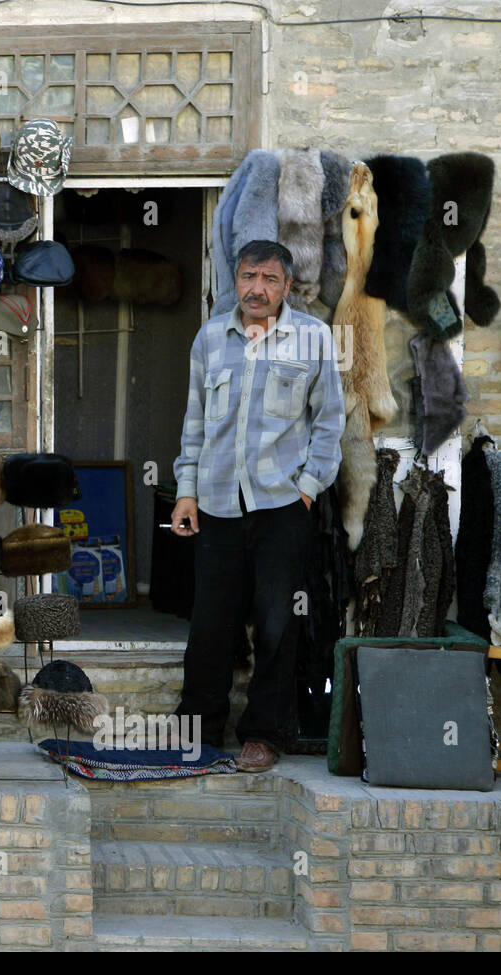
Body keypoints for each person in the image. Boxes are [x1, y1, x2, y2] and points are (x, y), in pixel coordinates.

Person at [170, 240, 345, 772]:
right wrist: (186, 490)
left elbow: (329, 423)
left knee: (277, 623)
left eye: (270, 279)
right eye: (249, 276)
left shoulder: (313, 339)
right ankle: (197, 731)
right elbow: (195, 423)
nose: (257, 288)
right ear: (236, 279)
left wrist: (310, 487)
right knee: (210, 626)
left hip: (281, 507)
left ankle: (263, 734)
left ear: (288, 286)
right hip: (219, 504)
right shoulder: (210, 338)